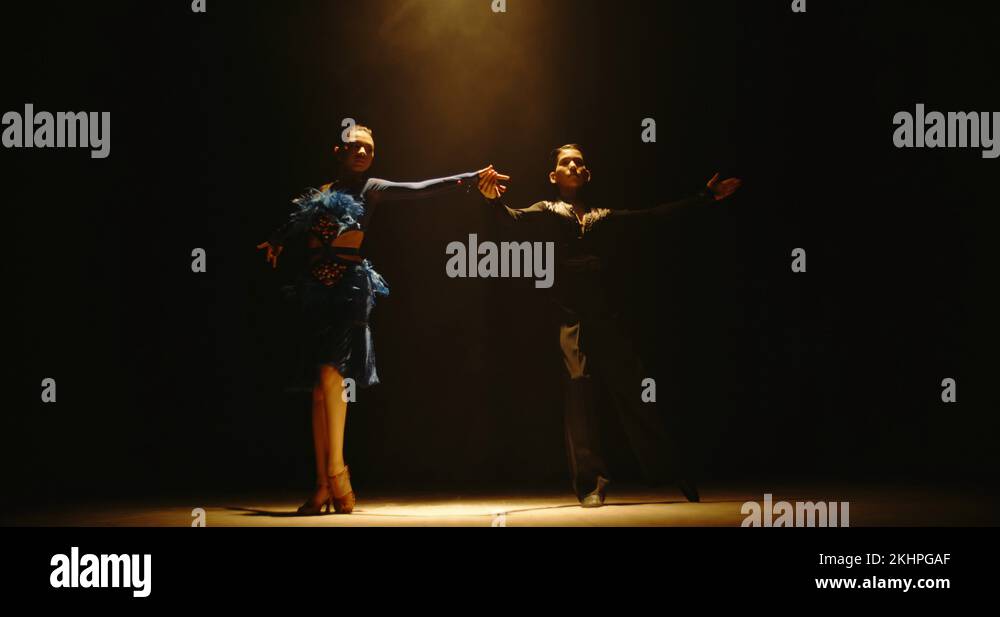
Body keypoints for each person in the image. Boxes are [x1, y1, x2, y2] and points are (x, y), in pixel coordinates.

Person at [258, 124, 509, 514]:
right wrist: (276, 239)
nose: (362, 153)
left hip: (349, 290)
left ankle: (339, 473)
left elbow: (421, 187)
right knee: (318, 390)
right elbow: (296, 223)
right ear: (337, 150)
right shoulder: (321, 193)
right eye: (355, 146)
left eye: (369, 149)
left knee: (330, 374)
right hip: (315, 292)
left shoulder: (371, 188)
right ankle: (323, 485)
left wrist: (469, 179)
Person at [477, 144, 740, 507]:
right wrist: (491, 200)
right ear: (554, 176)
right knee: (577, 385)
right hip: (569, 316)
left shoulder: (604, 216)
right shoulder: (547, 210)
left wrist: (704, 197)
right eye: (564, 162)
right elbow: (511, 218)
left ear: (587, 175)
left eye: (579, 162)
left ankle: (670, 469)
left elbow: (652, 216)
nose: (572, 165)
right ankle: (590, 483)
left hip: (606, 315)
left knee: (633, 389)